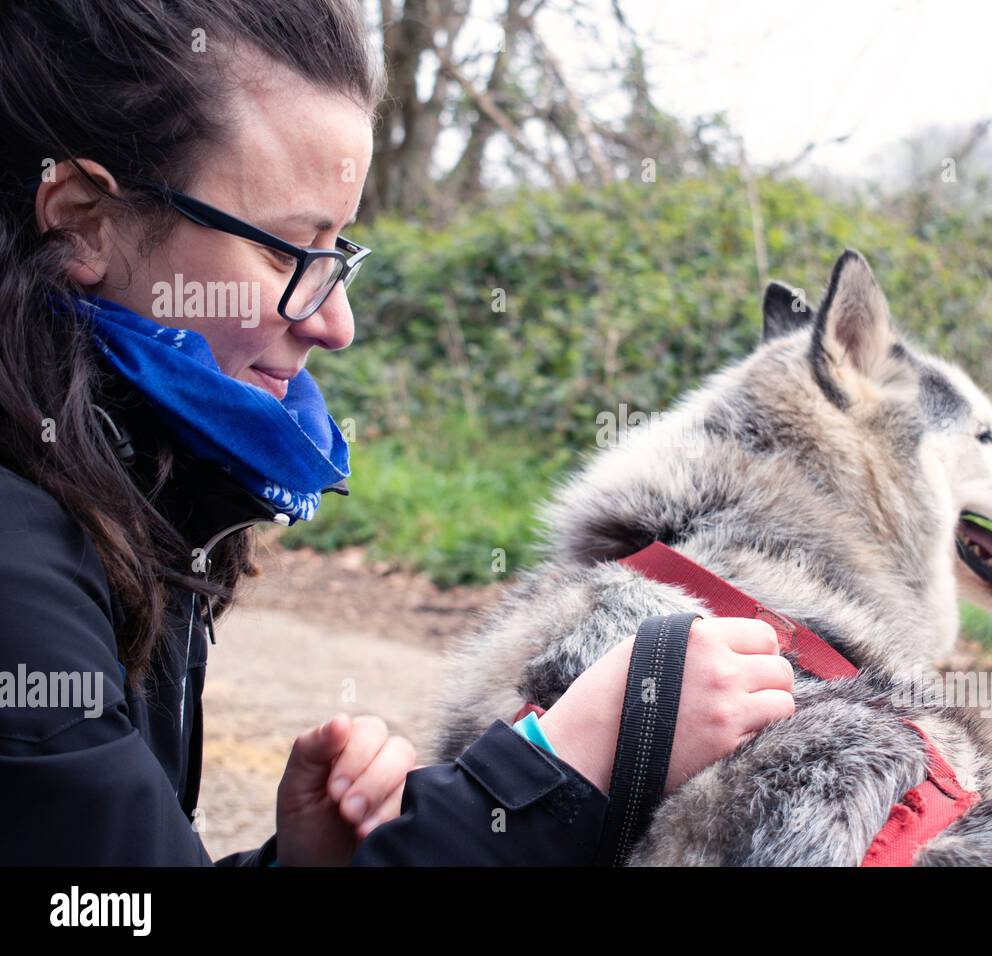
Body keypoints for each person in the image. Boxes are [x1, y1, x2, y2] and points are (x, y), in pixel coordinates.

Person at [0, 0, 795, 866]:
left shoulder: (95, 475)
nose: (336, 322)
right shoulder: (18, 572)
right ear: (84, 218)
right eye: (287, 253)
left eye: (339, 251)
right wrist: (567, 766)